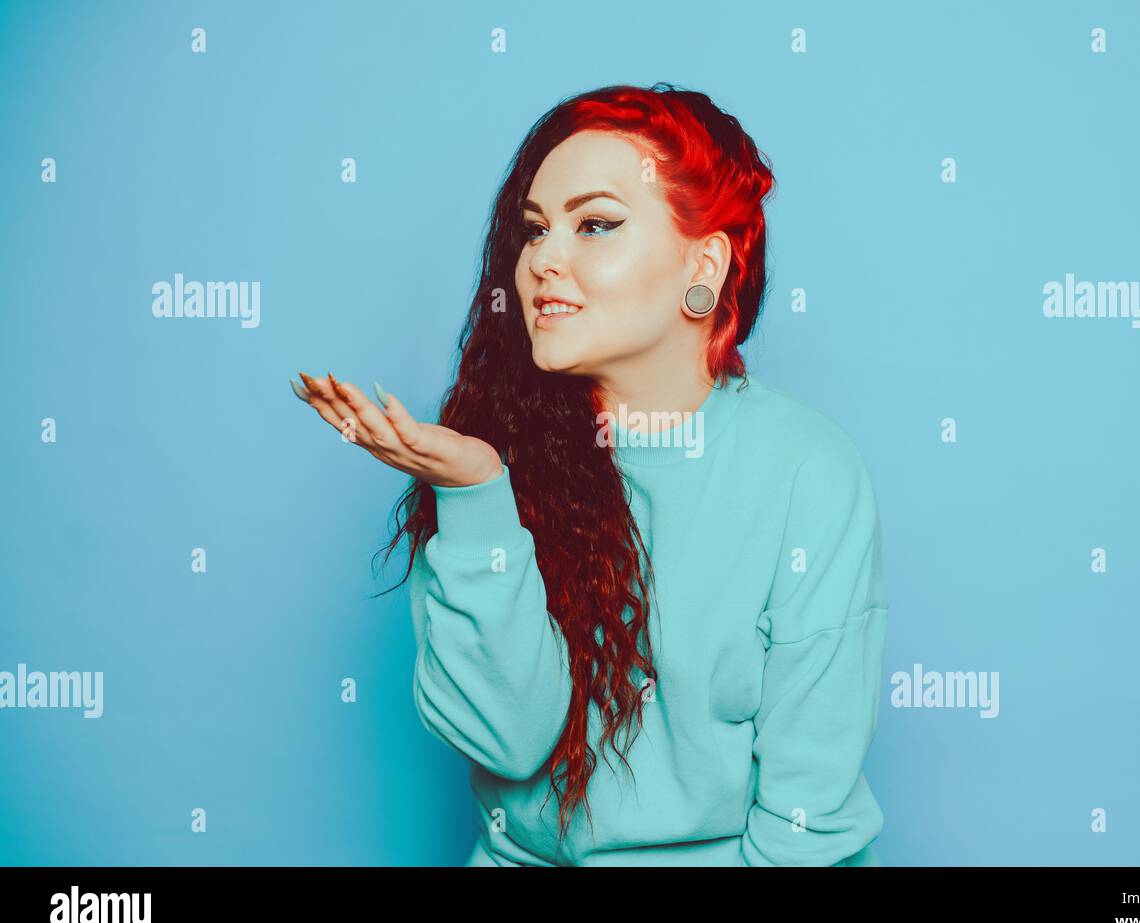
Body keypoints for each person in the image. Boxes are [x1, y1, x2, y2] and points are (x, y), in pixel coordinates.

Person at [292, 83, 889, 866]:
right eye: (535, 231)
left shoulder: (808, 472)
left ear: (703, 264)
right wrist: (475, 496)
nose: (543, 260)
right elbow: (508, 742)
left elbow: (804, 829)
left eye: (596, 225)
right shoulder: (489, 447)